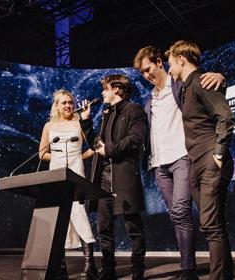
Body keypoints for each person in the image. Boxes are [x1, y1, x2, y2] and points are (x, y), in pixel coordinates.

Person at [133, 46, 225, 280]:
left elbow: (203, 87)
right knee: (176, 214)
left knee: (182, 210)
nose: (146, 75)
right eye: (142, 73)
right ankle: (188, 267)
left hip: (183, 157)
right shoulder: (149, 100)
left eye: (148, 69)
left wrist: (221, 77)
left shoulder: (179, 86)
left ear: (159, 63)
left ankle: (188, 270)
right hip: (159, 164)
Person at [165, 40, 235, 280]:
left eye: (170, 63)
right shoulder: (185, 87)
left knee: (210, 225)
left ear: (181, 59)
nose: (169, 69)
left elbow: (225, 117)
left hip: (209, 161)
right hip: (196, 163)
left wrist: (218, 153)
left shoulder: (202, 81)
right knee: (213, 225)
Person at [80, 74, 147, 280]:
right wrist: (86, 122)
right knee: (104, 229)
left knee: (133, 228)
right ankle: (108, 270)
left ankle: (137, 271)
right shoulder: (106, 114)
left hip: (123, 177)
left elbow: (136, 140)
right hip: (103, 180)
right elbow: (96, 145)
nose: (102, 92)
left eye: (106, 88)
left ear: (116, 89)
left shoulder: (134, 110)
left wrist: (109, 149)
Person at [39, 89, 98, 279]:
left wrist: (80, 157)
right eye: (63, 102)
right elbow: (42, 154)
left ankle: (90, 265)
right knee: (58, 219)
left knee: (79, 214)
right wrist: (59, 157)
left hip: (76, 174)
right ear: (56, 105)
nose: (68, 106)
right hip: (56, 175)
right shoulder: (49, 126)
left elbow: (93, 146)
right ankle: (60, 266)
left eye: (70, 102)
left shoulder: (78, 122)